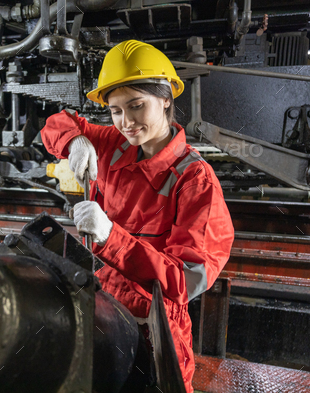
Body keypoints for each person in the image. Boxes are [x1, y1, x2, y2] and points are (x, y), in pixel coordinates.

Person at [41, 40, 234, 392]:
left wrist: (110, 236)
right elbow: (55, 123)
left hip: (154, 332)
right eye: (115, 111)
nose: (126, 122)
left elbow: (185, 281)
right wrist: (74, 141)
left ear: (166, 99)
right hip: (101, 311)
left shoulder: (194, 180)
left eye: (136, 106)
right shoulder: (115, 147)